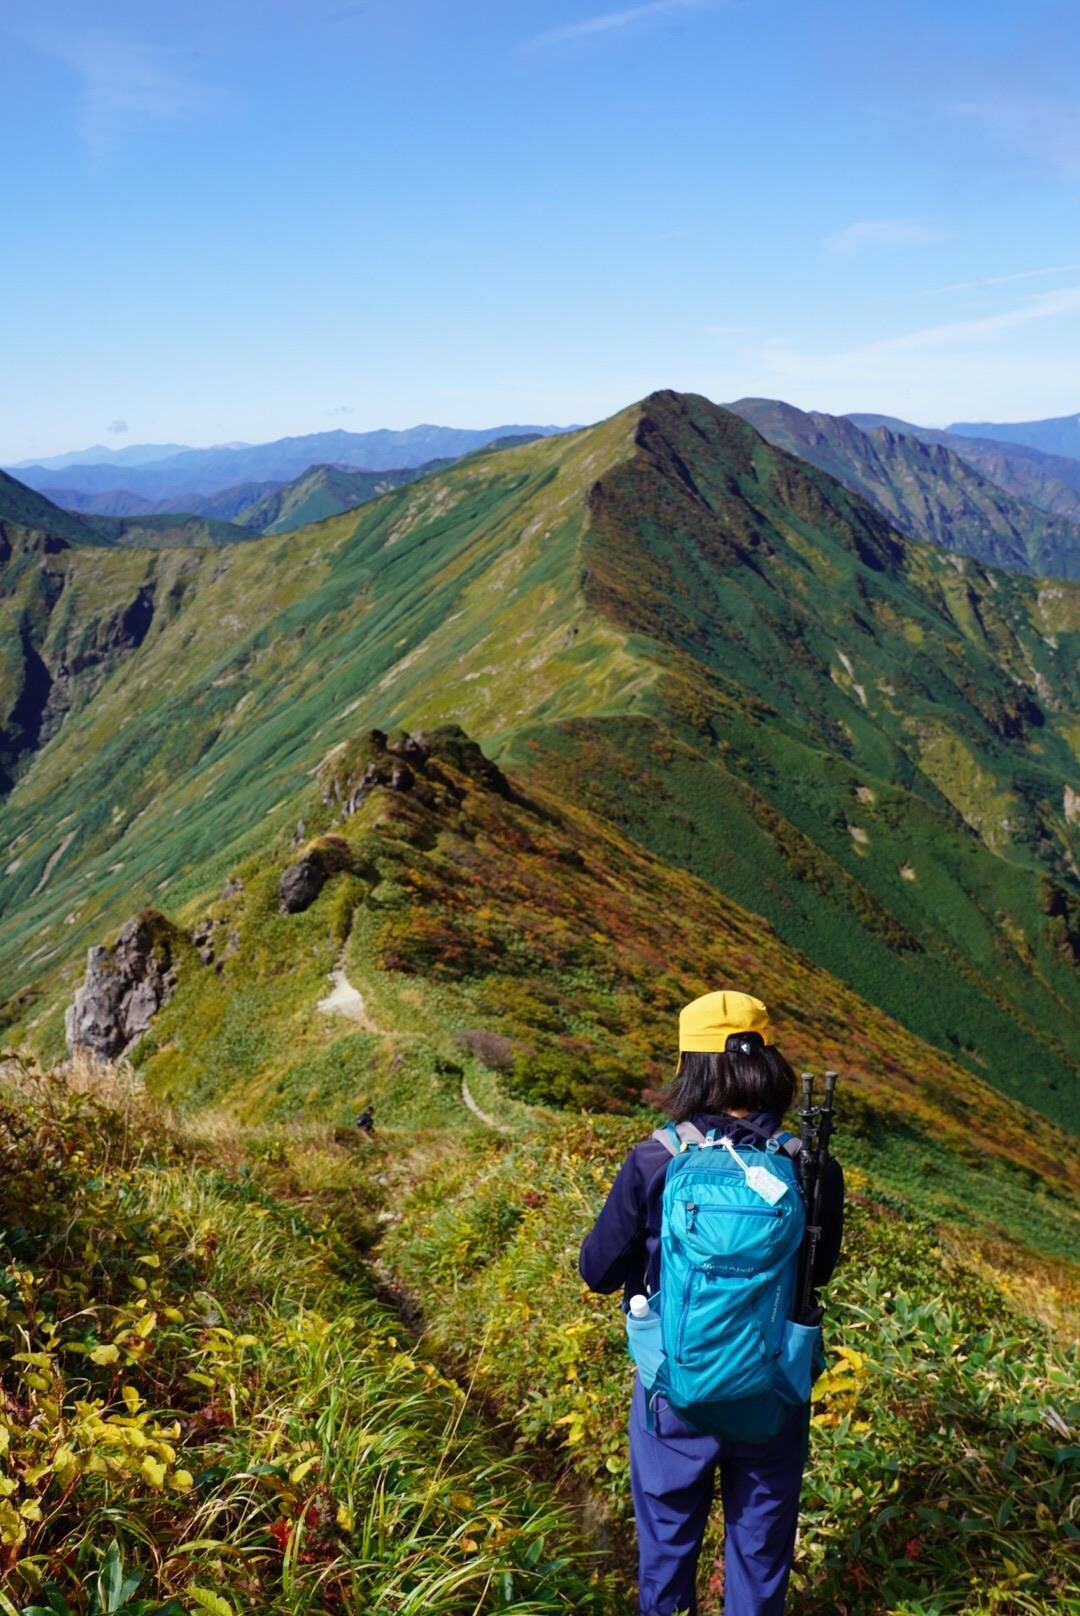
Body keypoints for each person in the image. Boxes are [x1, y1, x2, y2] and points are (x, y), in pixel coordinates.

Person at [579, 990, 844, 1616]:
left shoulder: (657, 1159)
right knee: (760, 1558)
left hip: (674, 1393)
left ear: (689, 1066)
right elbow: (819, 1270)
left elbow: (597, 1270)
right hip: (773, 1392)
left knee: (667, 1549)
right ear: (769, 1062)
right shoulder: (808, 1165)